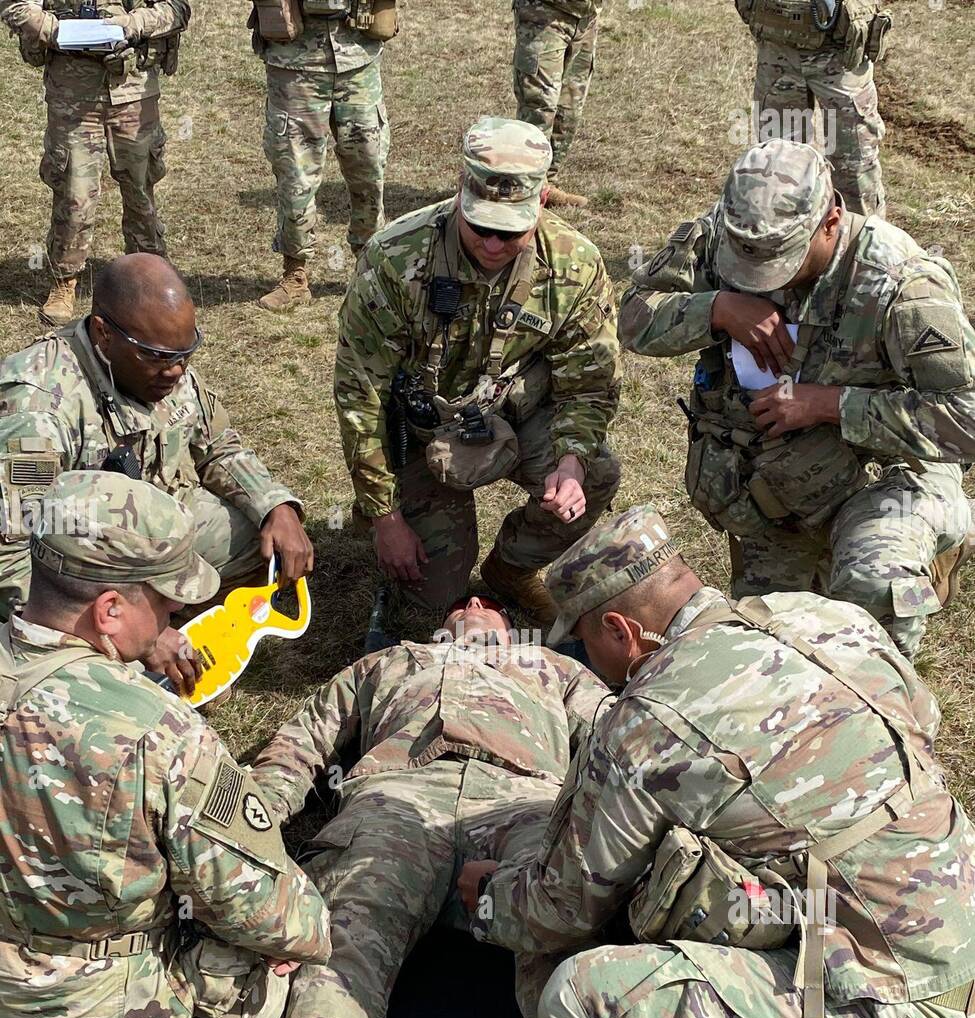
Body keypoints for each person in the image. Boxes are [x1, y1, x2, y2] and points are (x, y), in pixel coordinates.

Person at [459, 505, 975, 1018]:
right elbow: (915, 725)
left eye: (583, 643)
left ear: (620, 631)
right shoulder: (819, 617)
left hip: (885, 1002)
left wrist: (488, 899)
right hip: (948, 937)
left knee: (584, 997)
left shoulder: (648, 721)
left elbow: (557, 909)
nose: (588, 664)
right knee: (685, 879)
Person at [180, 595, 671, 1018]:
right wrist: (247, 835)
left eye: (487, 601)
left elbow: (619, 747)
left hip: (522, 804)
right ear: (440, 624)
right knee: (345, 929)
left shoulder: (555, 669)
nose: (470, 602)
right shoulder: (387, 663)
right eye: (461, 601)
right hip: (398, 800)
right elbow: (299, 746)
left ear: (507, 621)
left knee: (563, 921)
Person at [0, 471, 342, 1018]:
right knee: (278, 967)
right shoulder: (154, 730)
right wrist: (307, 928)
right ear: (109, 608)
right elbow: (268, 910)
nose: (177, 623)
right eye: (167, 606)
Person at [619, 140, 975, 659]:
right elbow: (634, 318)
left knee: (875, 594)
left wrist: (829, 404)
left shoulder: (902, 285)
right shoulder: (727, 232)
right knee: (774, 650)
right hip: (778, 485)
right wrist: (717, 306)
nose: (757, 273)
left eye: (779, 259)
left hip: (886, 477)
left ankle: (911, 621)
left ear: (831, 220)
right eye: (744, 260)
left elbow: (965, 419)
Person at [334, 115, 621, 624]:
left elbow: (589, 383)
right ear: (461, 188)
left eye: (509, 232)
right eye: (481, 226)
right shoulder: (395, 259)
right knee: (428, 600)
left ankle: (511, 568)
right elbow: (362, 393)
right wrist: (385, 516)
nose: (492, 245)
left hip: (515, 416)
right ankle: (396, 509)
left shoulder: (574, 266)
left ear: (542, 202)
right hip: (420, 433)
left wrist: (571, 462)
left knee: (598, 472)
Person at [0, 254, 314, 687]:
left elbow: (218, 445)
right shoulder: (35, 408)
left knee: (258, 540)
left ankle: (169, 617)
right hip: (78, 569)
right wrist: (143, 637)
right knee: (107, 685)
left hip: (153, 528)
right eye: (158, 356)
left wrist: (274, 506)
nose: (177, 371)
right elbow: (13, 557)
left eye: (185, 353)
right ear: (103, 334)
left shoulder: (162, 359)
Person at [0, 0, 189, 326]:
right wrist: (54, 30)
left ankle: (149, 273)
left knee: (139, 189)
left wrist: (134, 24)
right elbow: (14, 7)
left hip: (133, 90)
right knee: (75, 190)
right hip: (73, 92)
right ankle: (64, 280)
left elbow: (177, 9)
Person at [250, 0, 391, 311]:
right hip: (294, 60)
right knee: (296, 171)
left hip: (357, 56)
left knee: (368, 163)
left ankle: (371, 266)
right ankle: (295, 275)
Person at [734, 0, 890, 216]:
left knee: (854, 166)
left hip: (842, 53)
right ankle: (786, 242)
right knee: (779, 163)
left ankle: (861, 242)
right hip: (779, 45)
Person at [511, 0, 601, 209]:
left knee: (569, 106)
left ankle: (546, 184)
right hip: (544, 15)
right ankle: (528, 191)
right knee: (540, 106)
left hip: (585, 18)